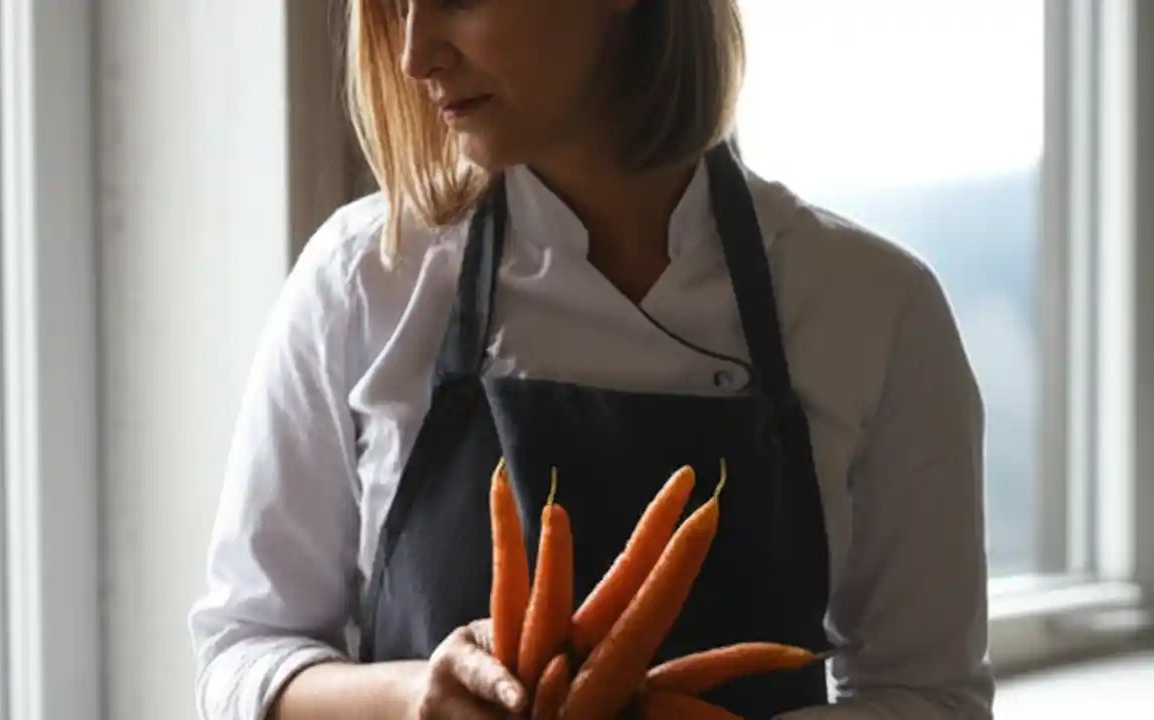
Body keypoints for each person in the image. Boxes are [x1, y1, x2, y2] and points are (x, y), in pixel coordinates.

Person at [189, 0, 994, 718]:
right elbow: (241, 654)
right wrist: (410, 702)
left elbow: (934, 697)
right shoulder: (364, 278)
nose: (414, 54)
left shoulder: (875, 305)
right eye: (396, 6)